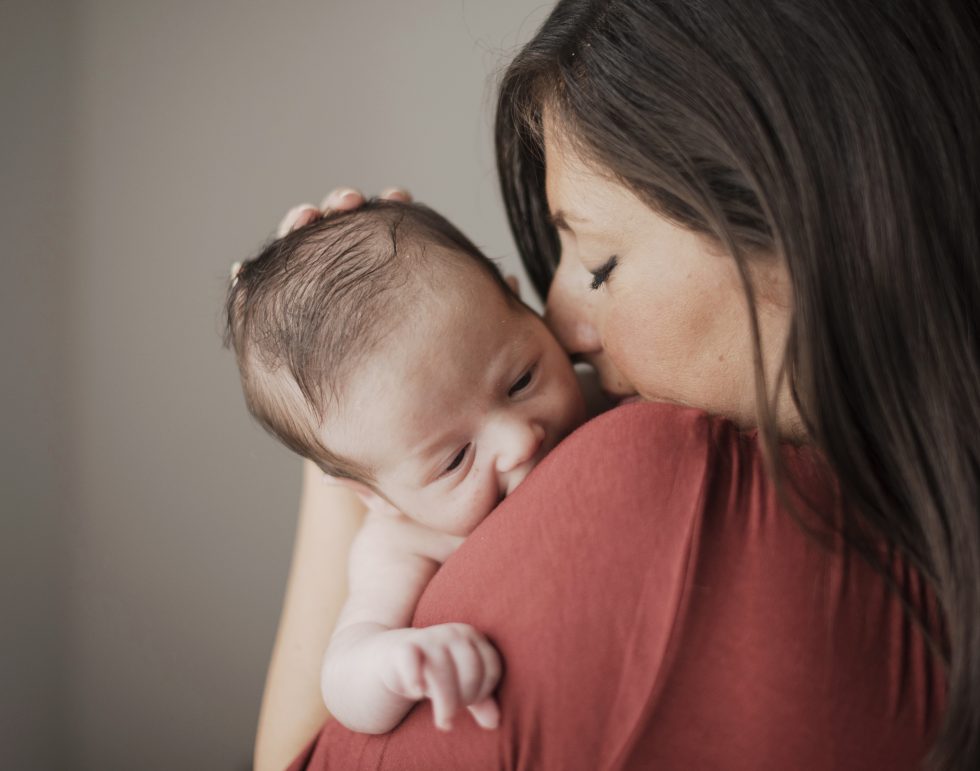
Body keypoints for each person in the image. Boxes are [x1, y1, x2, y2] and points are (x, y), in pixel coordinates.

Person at [254, 1, 979, 769]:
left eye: (599, 264)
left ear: (814, 218)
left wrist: (338, 440)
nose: (563, 326)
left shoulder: (671, 484)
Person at [225, 202, 587, 735]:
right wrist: (395, 664)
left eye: (521, 380)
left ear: (522, 304)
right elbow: (342, 670)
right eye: (455, 459)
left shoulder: (605, 390)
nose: (518, 441)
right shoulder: (402, 540)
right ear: (376, 498)